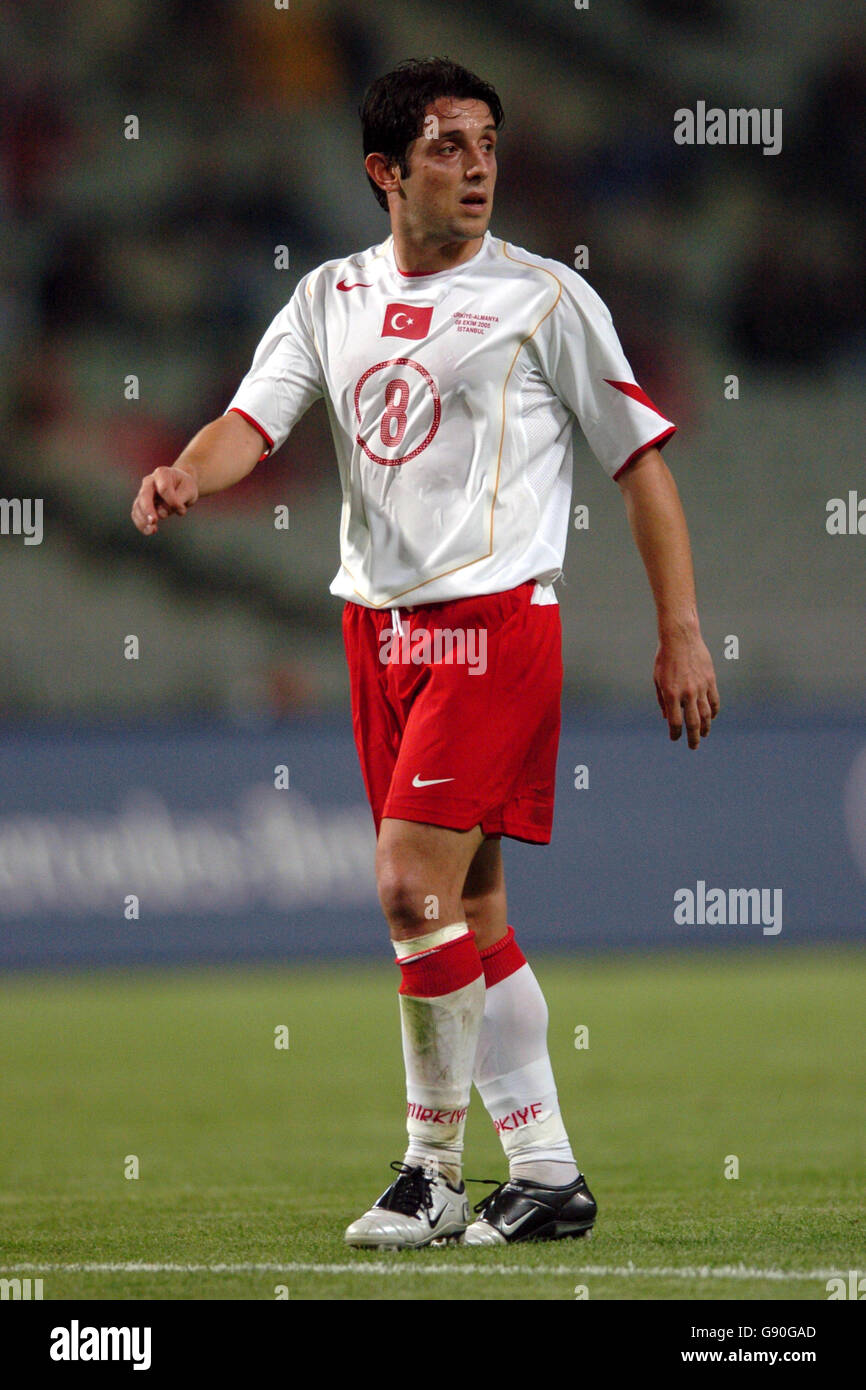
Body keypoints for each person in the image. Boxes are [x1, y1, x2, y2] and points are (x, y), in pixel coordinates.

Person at [130, 57, 720, 1249]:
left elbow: (639, 465)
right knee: (473, 914)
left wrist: (679, 629)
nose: (478, 165)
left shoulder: (544, 299)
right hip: (376, 630)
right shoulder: (328, 298)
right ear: (382, 172)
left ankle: (431, 1172)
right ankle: (546, 1174)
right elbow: (254, 418)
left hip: (491, 624)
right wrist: (192, 468)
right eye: (447, 146)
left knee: (407, 887)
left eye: (487, 142)